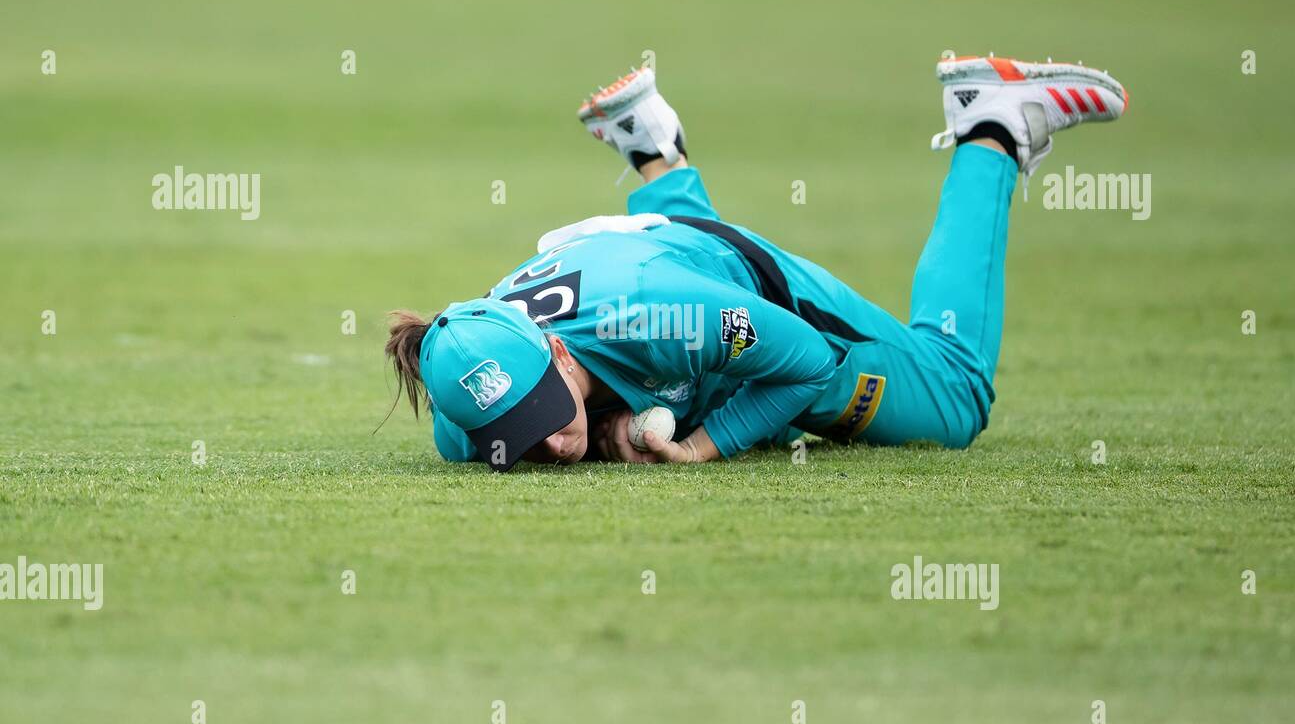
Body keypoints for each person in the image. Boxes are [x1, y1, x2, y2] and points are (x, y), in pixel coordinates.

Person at [385, 57, 1127, 471]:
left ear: (553, 348)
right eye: (517, 431)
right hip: (656, 249)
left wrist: (703, 446)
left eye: (545, 410)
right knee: (691, 326)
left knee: (955, 398)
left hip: (752, 289)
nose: (550, 441)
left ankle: (990, 121)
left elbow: (802, 362)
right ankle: (650, 144)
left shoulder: (663, 316)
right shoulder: (464, 415)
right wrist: (607, 434)